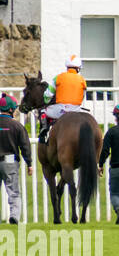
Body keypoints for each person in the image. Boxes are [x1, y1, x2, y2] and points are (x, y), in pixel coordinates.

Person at [39, 54, 87, 143]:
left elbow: (48, 95)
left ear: (67, 67)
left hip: (60, 110)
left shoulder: (58, 77)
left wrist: (47, 101)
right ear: (78, 68)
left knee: (43, 111)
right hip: (76, 110)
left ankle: (43, 133)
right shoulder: (82, 80)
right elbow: (82, 96)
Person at [0, 93, 32, 224]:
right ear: (11, 109)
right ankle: (14, 216)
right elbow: (25, 146)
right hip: (9, 161)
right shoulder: (17, 126)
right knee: (13, 191)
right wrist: (29, 163)